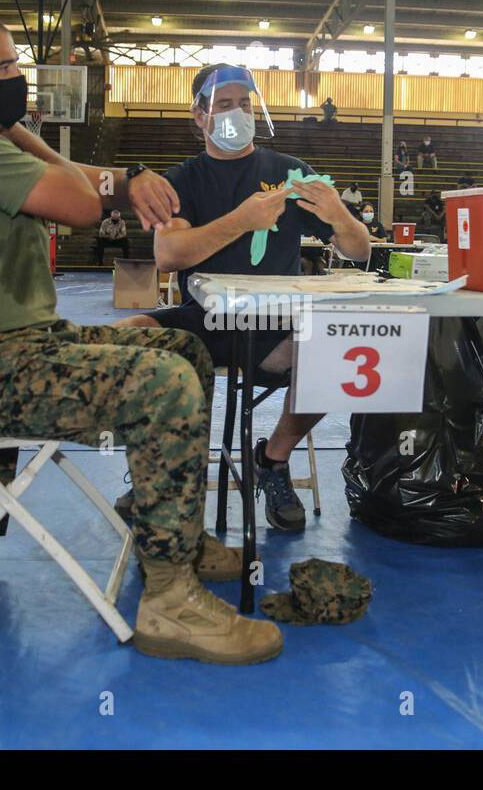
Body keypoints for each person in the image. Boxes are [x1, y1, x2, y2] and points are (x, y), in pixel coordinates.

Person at [0, 11, 280, 665]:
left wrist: (91, 166)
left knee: (181, 348)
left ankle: (163, 522)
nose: (20, 78)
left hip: (20, 351)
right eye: (4, 68)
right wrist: (125, 181)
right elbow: (78, 201)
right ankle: (170, 602)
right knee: (164, 383)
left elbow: (83, 179)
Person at [118, 64, 371, 533]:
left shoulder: (290, 173)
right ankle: (156, 471)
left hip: (278, 328)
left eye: (245, 103)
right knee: (125, 338)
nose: (238, 113)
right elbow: (170, 254)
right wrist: (242, 219)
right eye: (225, 104)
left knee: (335, 352)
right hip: (207, 323)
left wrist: (340, 217)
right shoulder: (183, 180)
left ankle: (273, 459)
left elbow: (359, 251)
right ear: (199, 116)